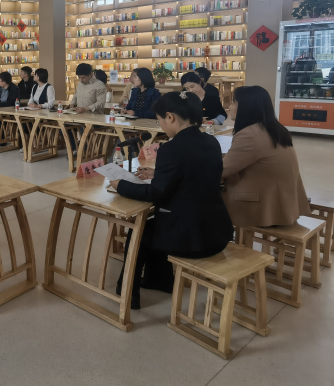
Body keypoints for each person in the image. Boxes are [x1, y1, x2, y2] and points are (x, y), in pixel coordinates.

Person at [111, 91, 233, 309]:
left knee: (141, 230)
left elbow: (155, 194)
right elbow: (193, 173)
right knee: (155, 225)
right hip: (217, 231)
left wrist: (121, 185)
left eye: (160, 120)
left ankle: (128, 292)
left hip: (192, 240)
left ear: (170, 117)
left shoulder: (171, 148)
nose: (161, 125)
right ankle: (159, 280)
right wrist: (158, 174)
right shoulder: (211, 142)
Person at [221, 86, 310, 227]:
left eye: (233, 102)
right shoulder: (274, 128)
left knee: (202, 191)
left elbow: (222, 170)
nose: (229, 107)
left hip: (266, 206)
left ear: (245, 107)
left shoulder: (249, 135)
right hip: (285, 202)